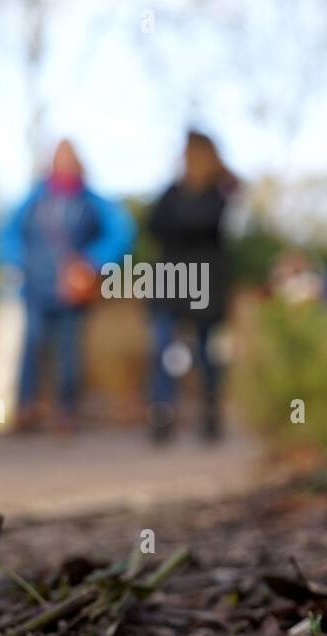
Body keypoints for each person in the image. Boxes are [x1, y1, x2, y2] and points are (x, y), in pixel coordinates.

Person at [0, 139, 135, 432]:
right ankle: (26, 407)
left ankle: (65, 411)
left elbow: (121, 233)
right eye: (61, 157)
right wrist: (15, 261)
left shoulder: (92, 201)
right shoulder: (35, 198)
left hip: (72, 289)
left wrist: (93, 262)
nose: (65, 163)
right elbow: (7, 232)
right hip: (34, 284)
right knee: (31, 343)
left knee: (69, 350)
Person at [145, 131, 237, 442]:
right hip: (171, 282)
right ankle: (161, 416)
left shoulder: (219, 191)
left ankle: (209, 415)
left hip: (205, 284)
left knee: (206, 353)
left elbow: (205, 223)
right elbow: (154, 224)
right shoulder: (172, 192)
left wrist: (181, 224)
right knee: (164, 351)